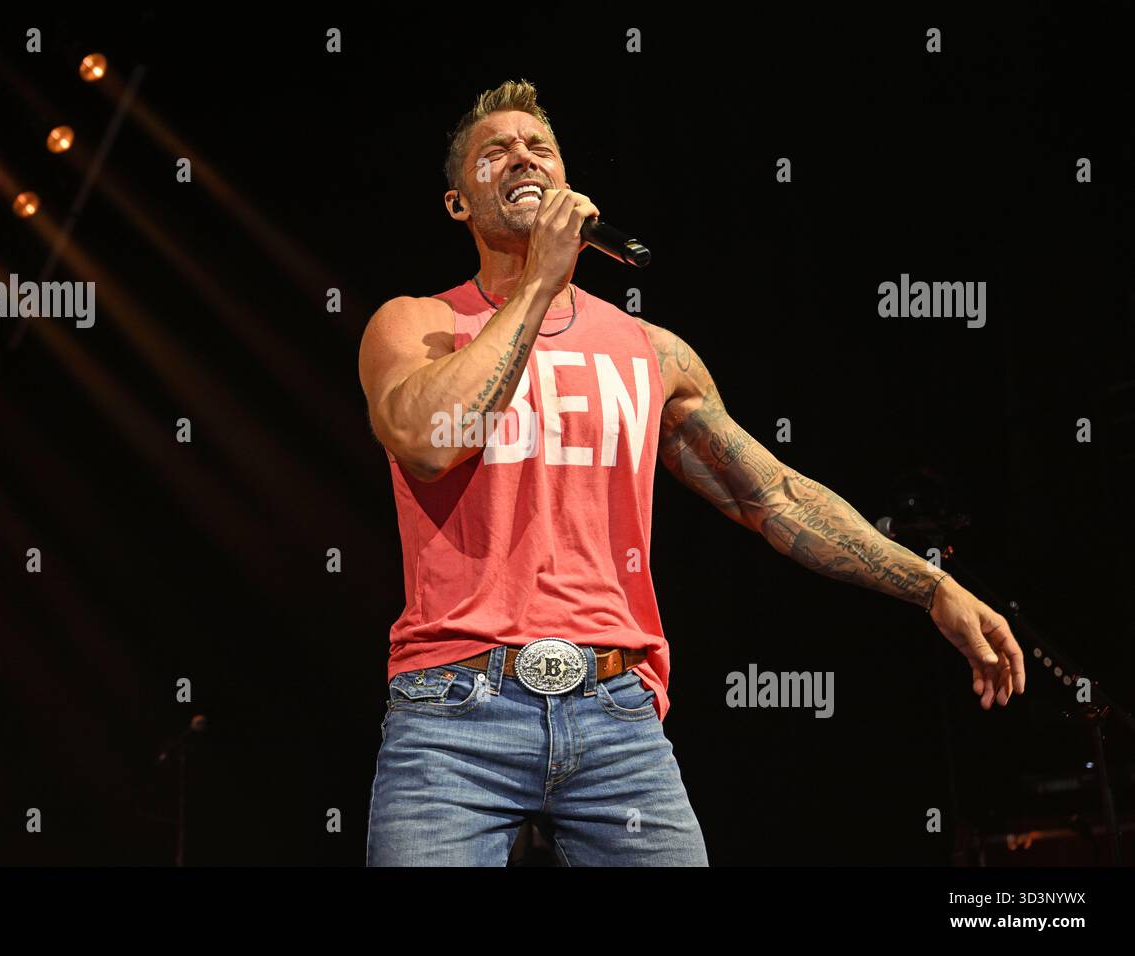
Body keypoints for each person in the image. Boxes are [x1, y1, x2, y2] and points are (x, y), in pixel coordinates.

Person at [357, 79, 1025, 866]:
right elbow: (430, 441)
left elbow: (769, 494)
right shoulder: (418, 323)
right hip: (452, 716)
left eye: (539, 147)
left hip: (616, 718)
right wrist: (539, 281)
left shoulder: (650, 351)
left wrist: (931, 584)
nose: (521, 158)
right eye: (493, 151)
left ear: (568, 183)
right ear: (457, 204)